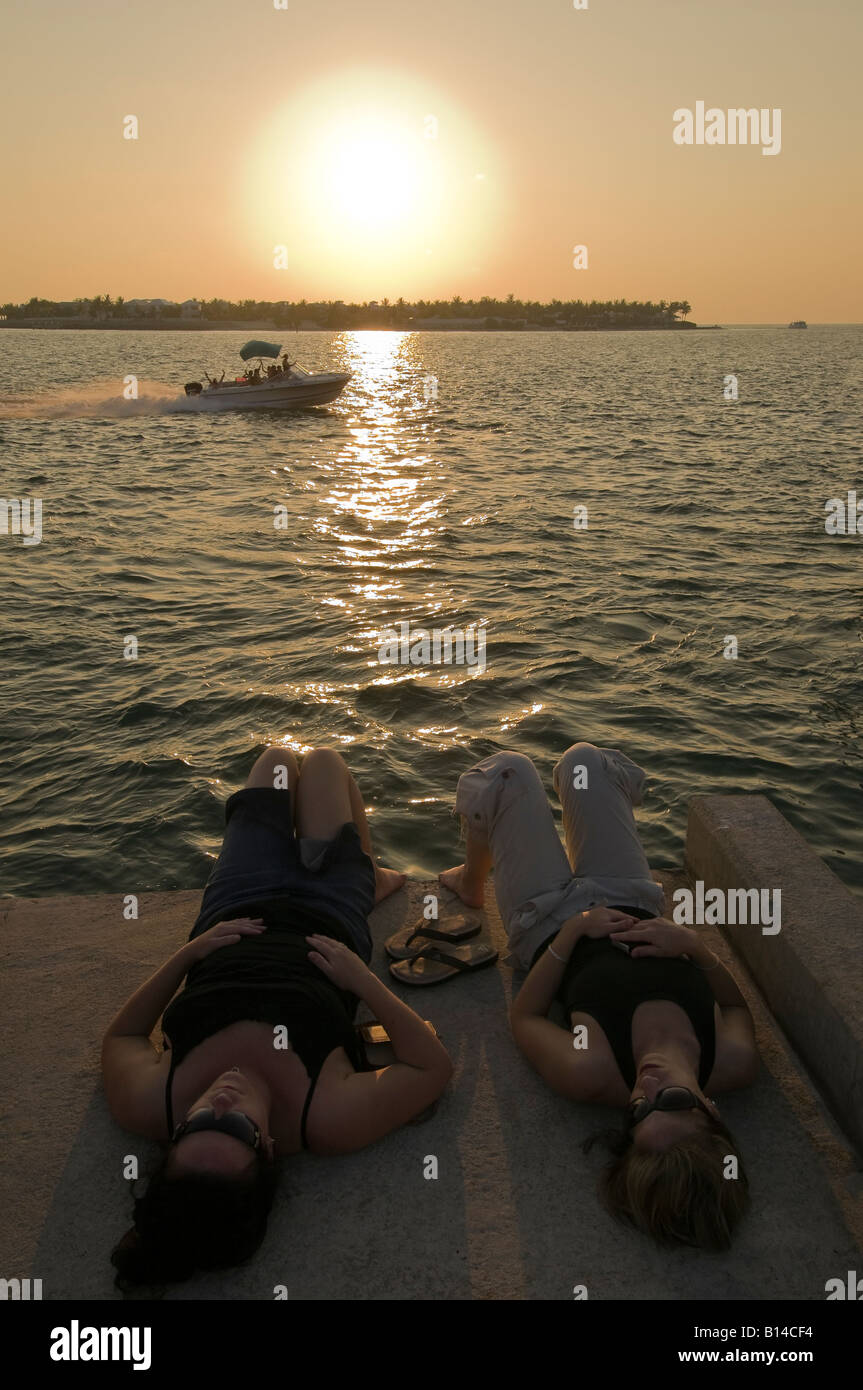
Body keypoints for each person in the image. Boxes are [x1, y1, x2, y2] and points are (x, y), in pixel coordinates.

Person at [102, 746, 452, 1288]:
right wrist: (361, 978)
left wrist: (189, 955)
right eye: (234, 1125)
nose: (219, 1102)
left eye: (199, 1122)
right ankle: (368, 878)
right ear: (266, 1149)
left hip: (235, 900)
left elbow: (122, 1035)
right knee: (328, 764)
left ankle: (369, 874)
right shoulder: (324, 1119)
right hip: (330, 911)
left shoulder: (153, 1101)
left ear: (175, 1135)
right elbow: (432, 1070)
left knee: (277, 761)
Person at [441, 741, 758, 1250]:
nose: (645, 1090)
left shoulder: (591, 1072)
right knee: (583, 762)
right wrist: (695, 949)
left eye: (636, 1114)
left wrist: (571, 935)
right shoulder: (734, 1060)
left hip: (545, 919)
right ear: (711, 1111)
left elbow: (525, 1017)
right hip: (631, 894)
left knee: (507, 774)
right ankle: (572, 847)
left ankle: (472, 881)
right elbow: (737, 1005)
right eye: (670, 1101)